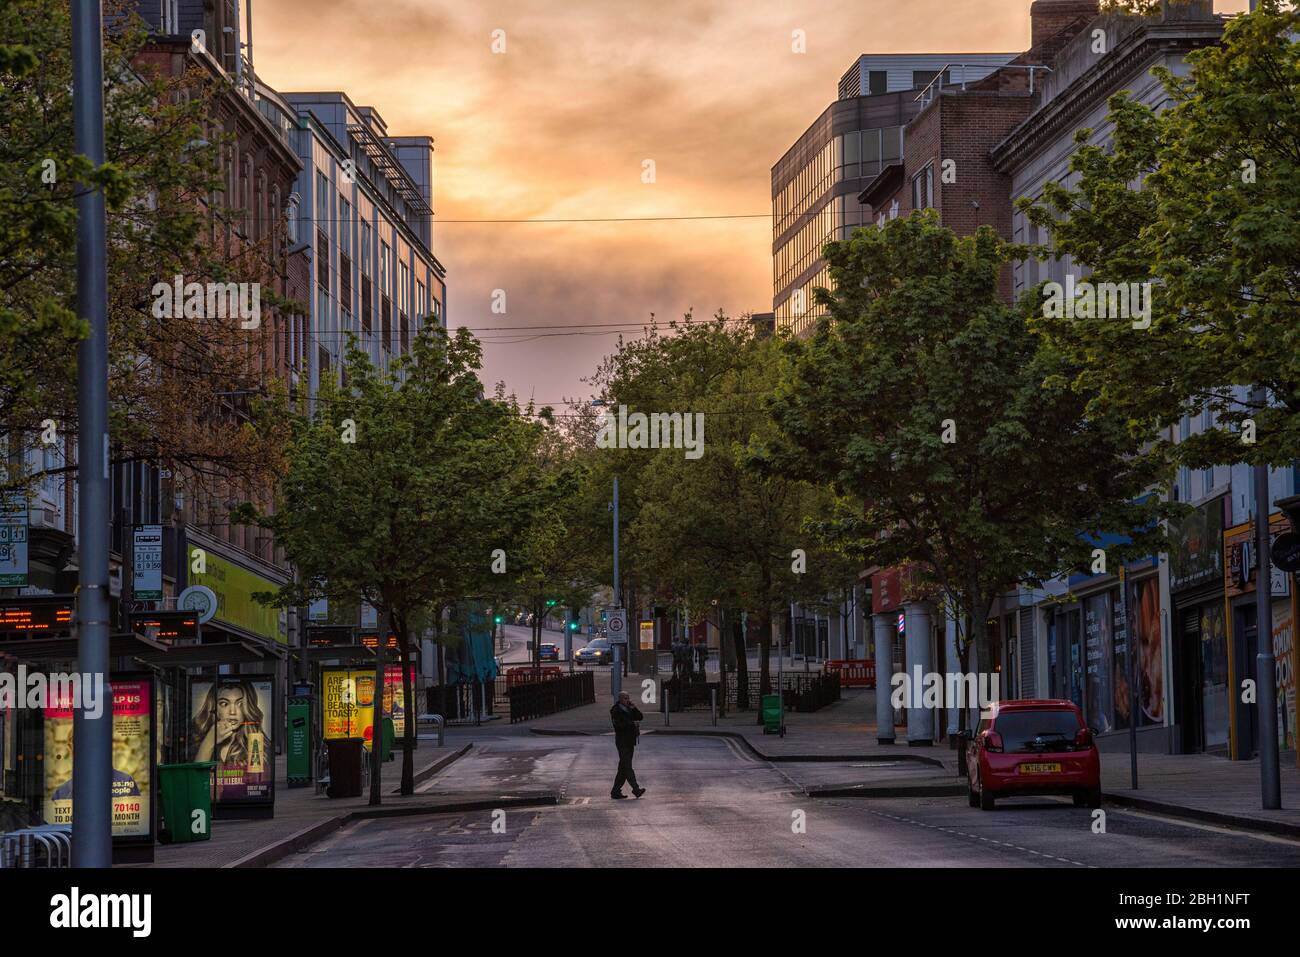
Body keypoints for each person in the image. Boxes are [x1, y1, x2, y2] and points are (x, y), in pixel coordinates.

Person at [609, 690, 645, 799]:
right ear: (620, 699)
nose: (627, 700)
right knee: (627, 766)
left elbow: (640, 717)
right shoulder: (615, 710)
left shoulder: (629, 709)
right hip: (622, 741)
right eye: (625, 698)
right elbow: (618, 726)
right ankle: (636, 789)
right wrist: (631, 724)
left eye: (628, 698)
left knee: (623, 768)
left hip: (630, 741)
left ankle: (615, 791)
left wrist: (634, 708)